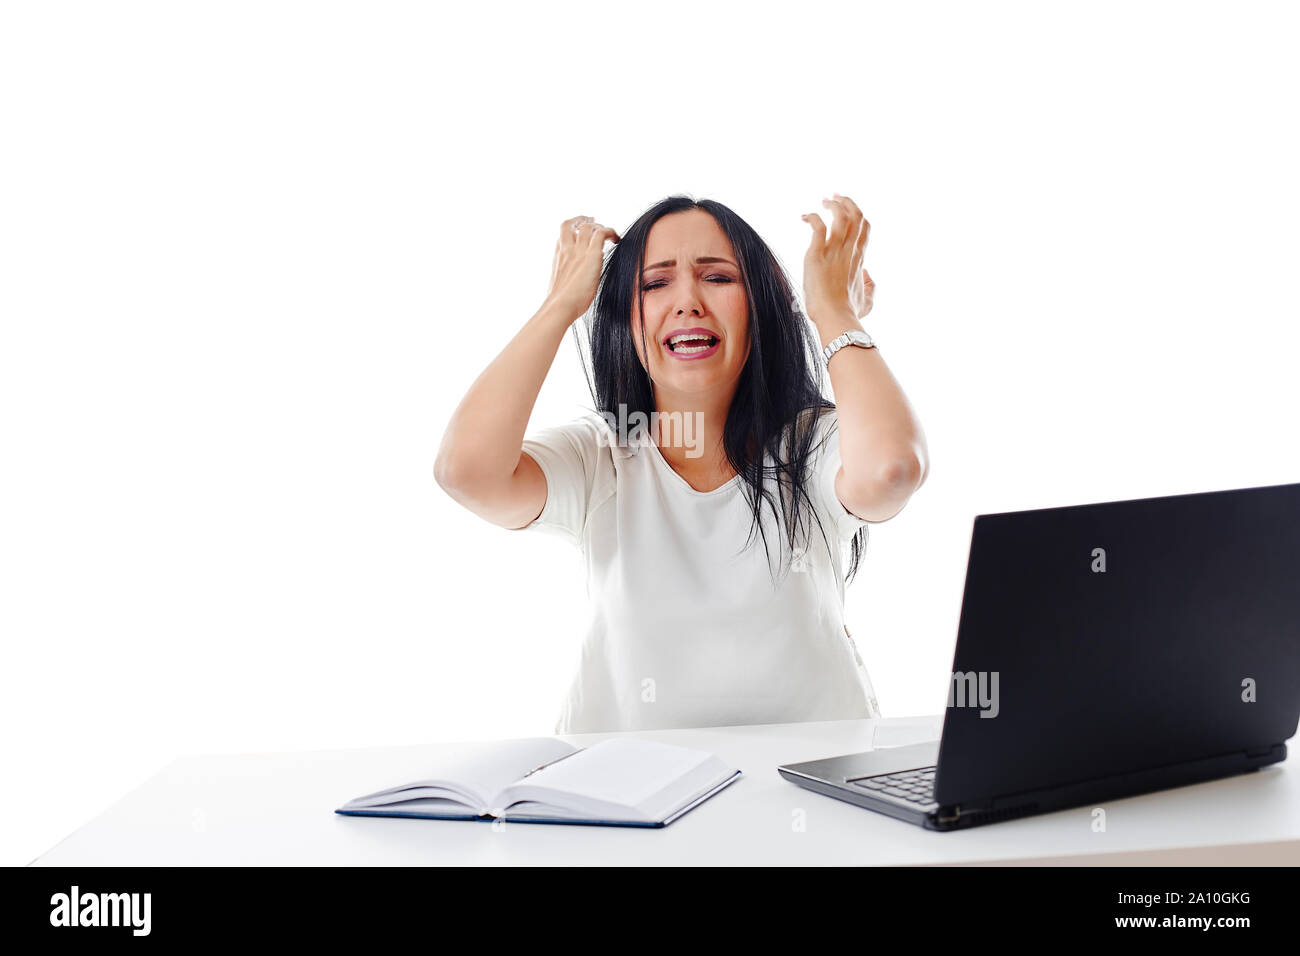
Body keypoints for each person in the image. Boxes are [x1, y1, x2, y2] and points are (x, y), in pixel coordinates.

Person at [434, 194, 929, 734]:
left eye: (717, 278)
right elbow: (467, 471)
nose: (688, 301)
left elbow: (891, 469)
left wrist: (834, 310)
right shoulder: (602, 456)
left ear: (760, 307)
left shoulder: (812, 444)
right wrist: (560, 306)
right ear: (627, 317)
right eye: (654, 284)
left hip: (814, 786)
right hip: (625, 795)